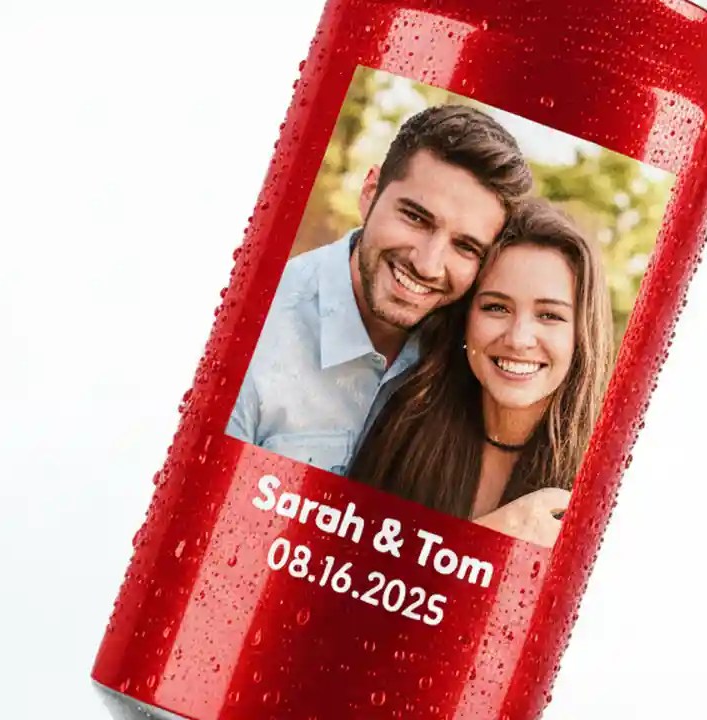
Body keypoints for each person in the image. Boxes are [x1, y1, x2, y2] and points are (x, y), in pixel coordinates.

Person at [225, 105, 533, 474]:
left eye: (465, 247)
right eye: (416, 218)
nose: (428, 265)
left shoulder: (476, 354)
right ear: (370, 192)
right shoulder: (249, 337)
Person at [349, 198, 614, 546]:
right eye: (496, 307)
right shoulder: (401, 422)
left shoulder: (609, 479)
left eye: (549, 315)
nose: (519, 339)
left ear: (583, 334)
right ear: (466, 321)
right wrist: (488, 539)